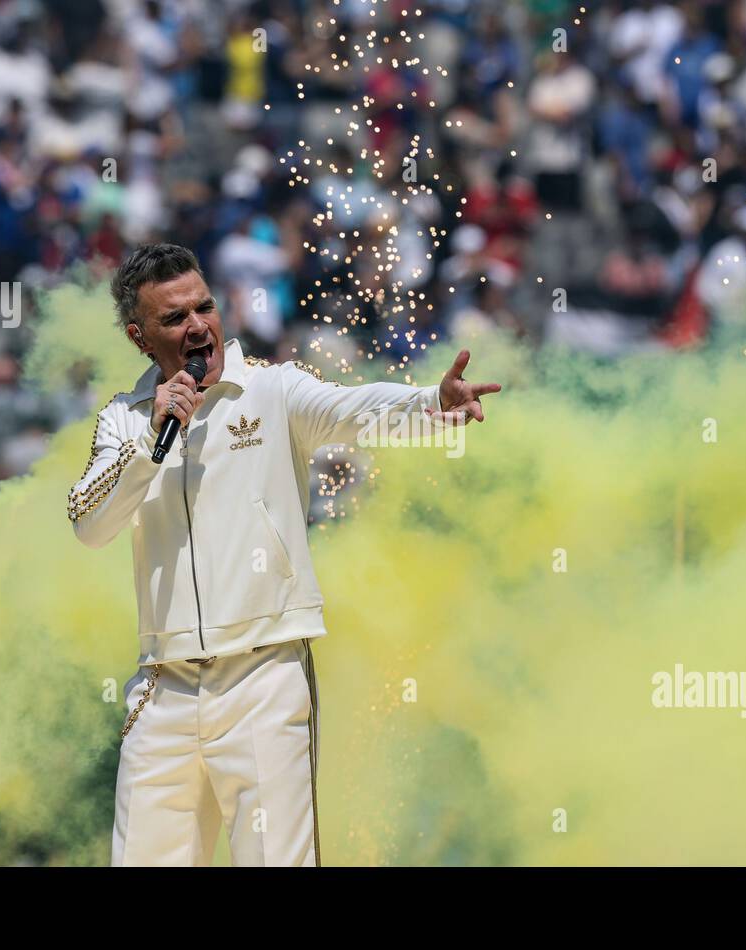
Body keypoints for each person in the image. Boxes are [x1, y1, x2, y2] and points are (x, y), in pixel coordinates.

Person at [69, 243, 501, 866]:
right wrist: (150, 444)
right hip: (162, 685)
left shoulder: (272, 388)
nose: (197, 327)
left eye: (205, 307)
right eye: (174, 319)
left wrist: (432, 406)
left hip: (264, 674)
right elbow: (88, 523)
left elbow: (357, 410)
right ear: (140, 337)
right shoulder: (124, 418)